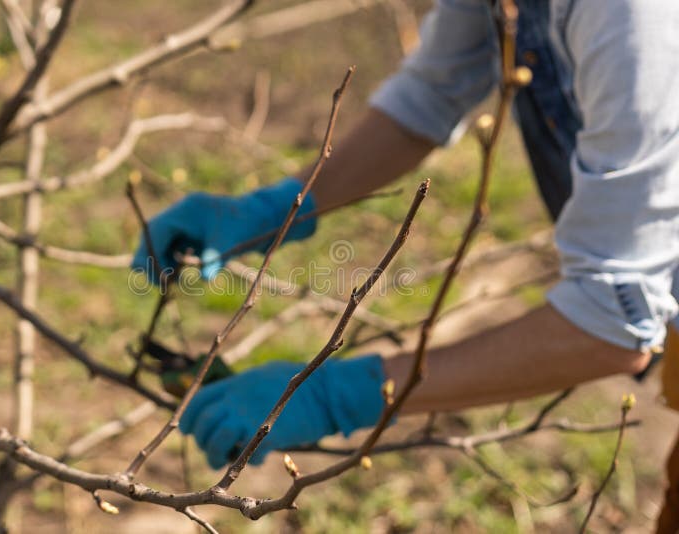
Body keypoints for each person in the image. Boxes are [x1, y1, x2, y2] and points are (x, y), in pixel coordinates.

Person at [132, 0, 679, 528]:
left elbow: (611, 320)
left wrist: (336, 394)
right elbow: (432, 94)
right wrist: (275, 210)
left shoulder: (629, 17)